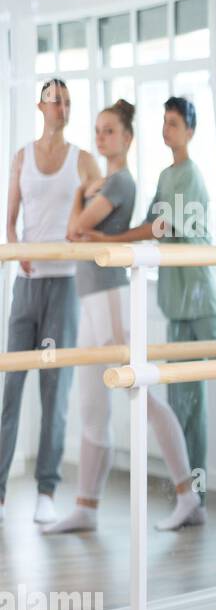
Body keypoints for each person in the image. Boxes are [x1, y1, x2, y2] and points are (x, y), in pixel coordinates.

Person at [44, 99, 200, 533]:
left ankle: (189, 496)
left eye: (109, 130)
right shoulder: (105, 181)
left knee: (144, 397)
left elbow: (74, 232)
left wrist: (77, 193)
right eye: (97, 130)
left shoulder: (119, 183)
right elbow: (77, 235)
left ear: (127, 138)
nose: (100, 137)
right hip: (91, 298)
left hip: (112, 297)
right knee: (92, 402)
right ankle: (86, 506)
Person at [114, 96, 216, 519]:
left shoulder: (192, 177)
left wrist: (109, 242)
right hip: (176, 301)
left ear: (191, 131)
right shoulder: (165, 176)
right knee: (185, 402)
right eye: (164, 122)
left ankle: (205, 492)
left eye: (175, 123)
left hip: (200, 295)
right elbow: (150, 226)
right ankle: (192, 495)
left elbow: (161, 227)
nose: (167, 130)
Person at [0, 79, 100, 526]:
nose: (62, 106)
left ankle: (46, 488)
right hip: (27, 286)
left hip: (64, 285)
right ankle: (0, 492)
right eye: (55, 100)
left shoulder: (83, 161)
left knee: (53, 390)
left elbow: (105, 208)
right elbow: (11, 221)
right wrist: (17, 247)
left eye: (67, 101)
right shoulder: (21, 156)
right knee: (12, 387)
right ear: (40, 106)